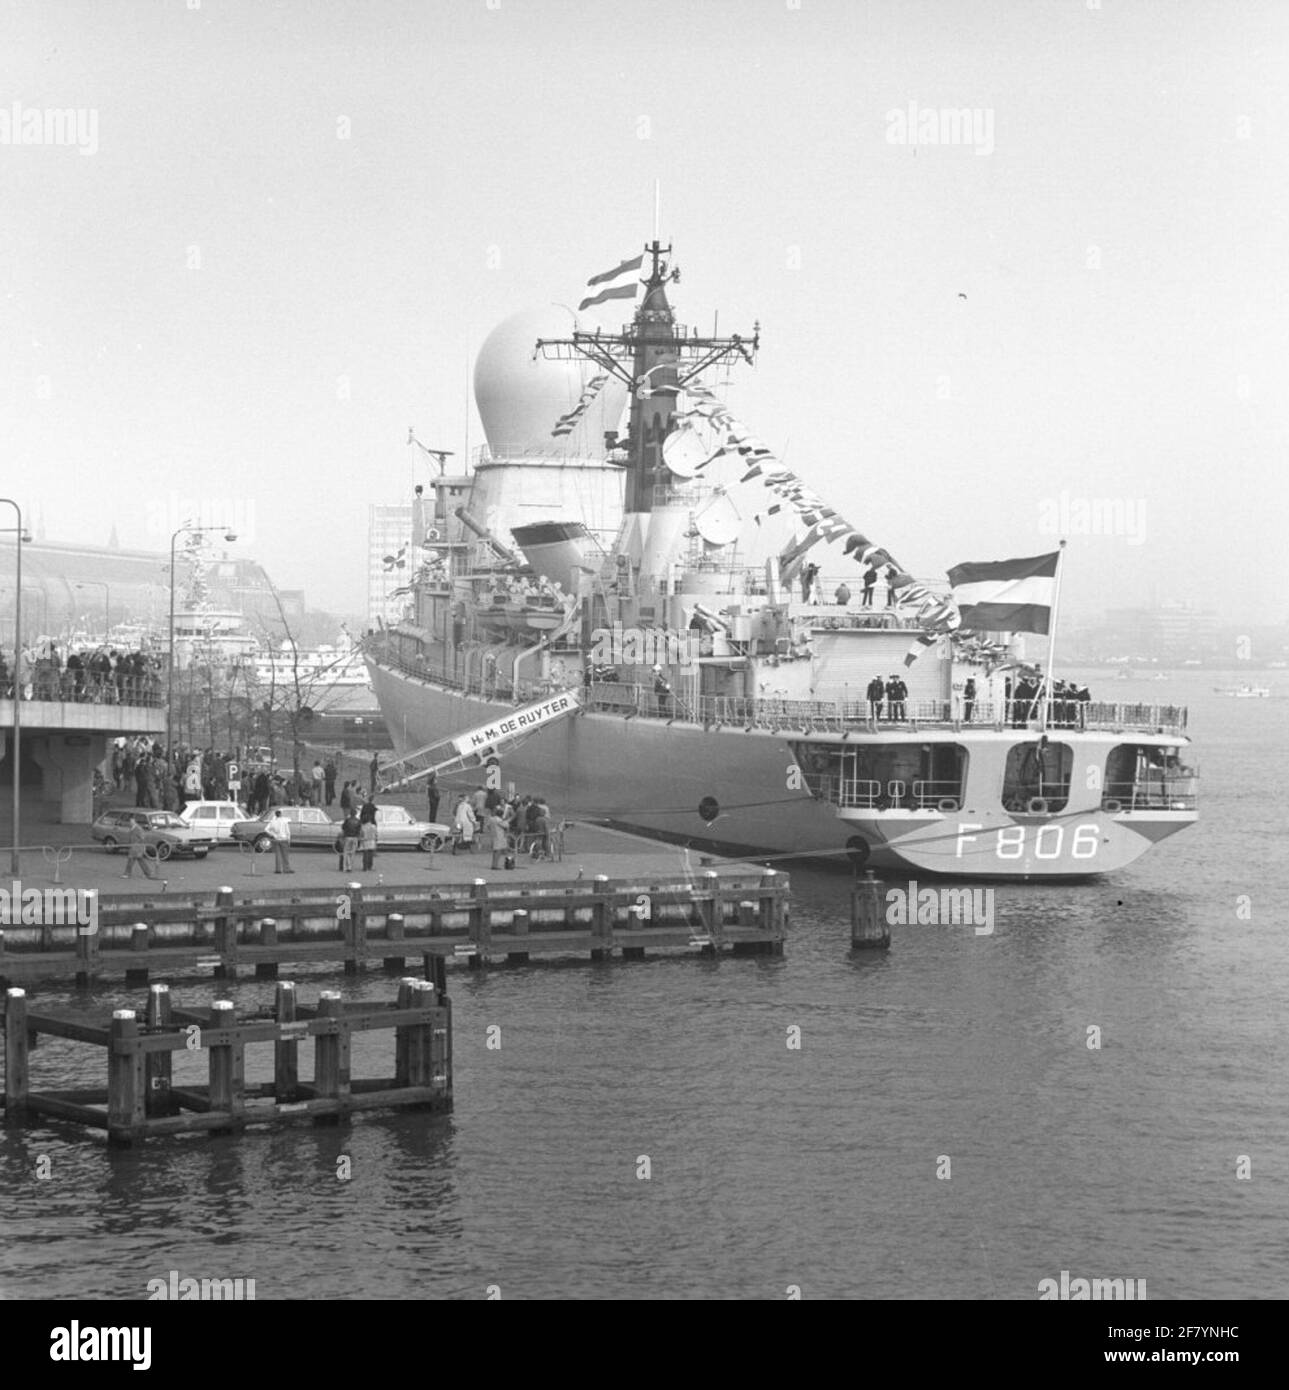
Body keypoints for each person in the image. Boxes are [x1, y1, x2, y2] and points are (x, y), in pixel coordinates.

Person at [266, 807, 293, 874]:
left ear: (276, 815)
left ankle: (278, 869)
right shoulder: (284, 821)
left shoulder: (273, 821)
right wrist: (289, 839)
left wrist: (273, 835)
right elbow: (288, 831)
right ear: (280, 814)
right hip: (284, 839)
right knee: (285, 855)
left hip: (276, 839)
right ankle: (286, 869)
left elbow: (266, 829)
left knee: (277, 855)